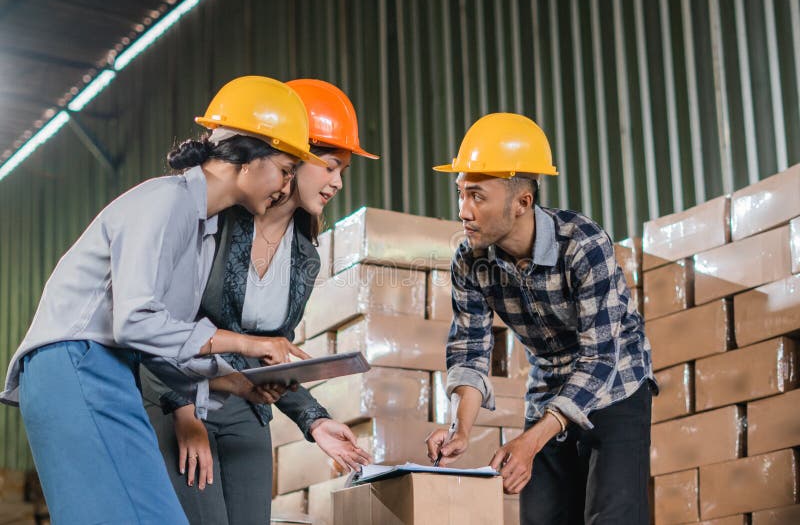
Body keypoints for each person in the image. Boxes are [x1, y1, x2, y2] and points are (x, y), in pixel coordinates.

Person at [0, 75, 323, 524]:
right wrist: (248, 343)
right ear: (249, 159)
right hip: (75, 363)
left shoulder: (202, 232)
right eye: (286, 170)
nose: (286, 188)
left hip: (109, 369)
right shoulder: (165, 201)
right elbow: (135, 321)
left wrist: (237, 384)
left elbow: (165, 342)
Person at [141, 79, 378, 524]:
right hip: (178, 398)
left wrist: (314, 420)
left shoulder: (305, 257)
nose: (337, 183)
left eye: (343, 171)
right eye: (330, 166)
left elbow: (272, 355)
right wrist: (184, 413)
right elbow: (161, 322)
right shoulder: (219, 218)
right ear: (292, 154)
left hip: (245, 408)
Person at [425, 113, 656, 524]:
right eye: (460, 193)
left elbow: (599, 359)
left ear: (522, 202)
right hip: (548, 384)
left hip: (615, 383)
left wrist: (530, 442)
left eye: (477, 196)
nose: (463, 211)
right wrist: (460, 428)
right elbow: (470, 351)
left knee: (611, 517)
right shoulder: (470, 260)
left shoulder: (582, 244)